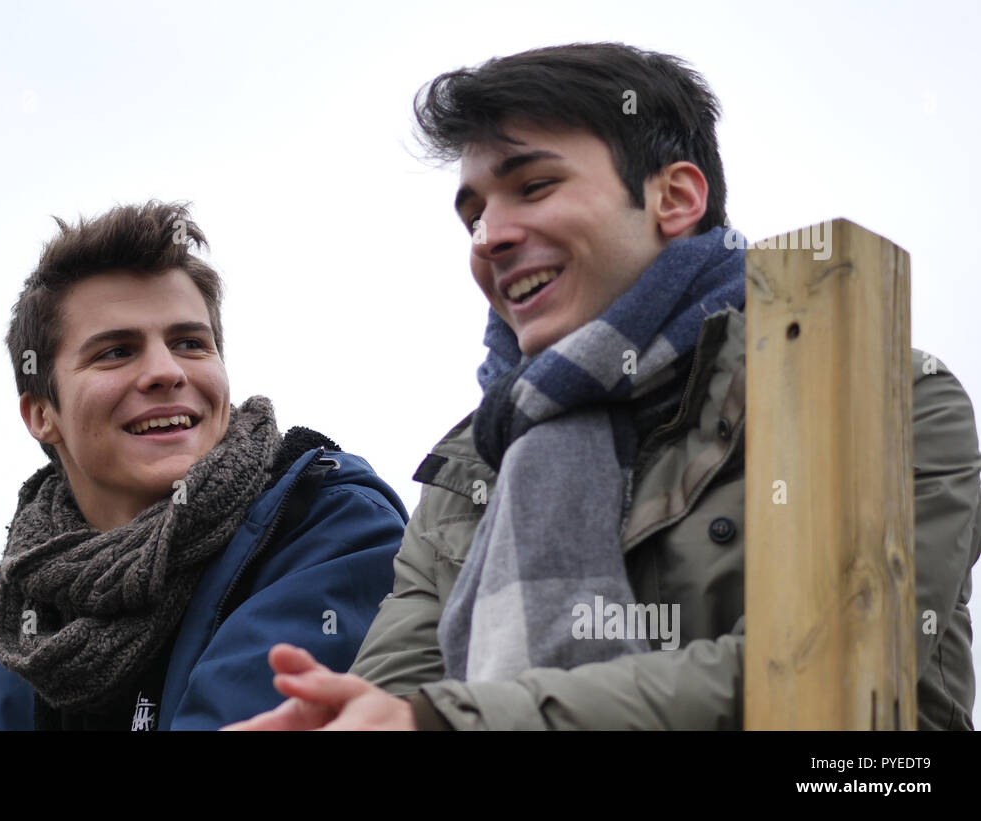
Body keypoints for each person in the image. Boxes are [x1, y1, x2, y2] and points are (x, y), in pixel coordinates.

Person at [225, 42, 981, 731]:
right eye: (474, 216)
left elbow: (817, 678)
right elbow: (393, 699)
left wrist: (446, 723)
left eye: (534, 186)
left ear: (674, 199)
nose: (490, 237)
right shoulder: (469, 468)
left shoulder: (885, 394)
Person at [0, 200, 407, 730]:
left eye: (190, 343)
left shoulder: (328, 527)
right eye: (115, 352)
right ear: (41, 414)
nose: (166, 371)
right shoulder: (11, 615)